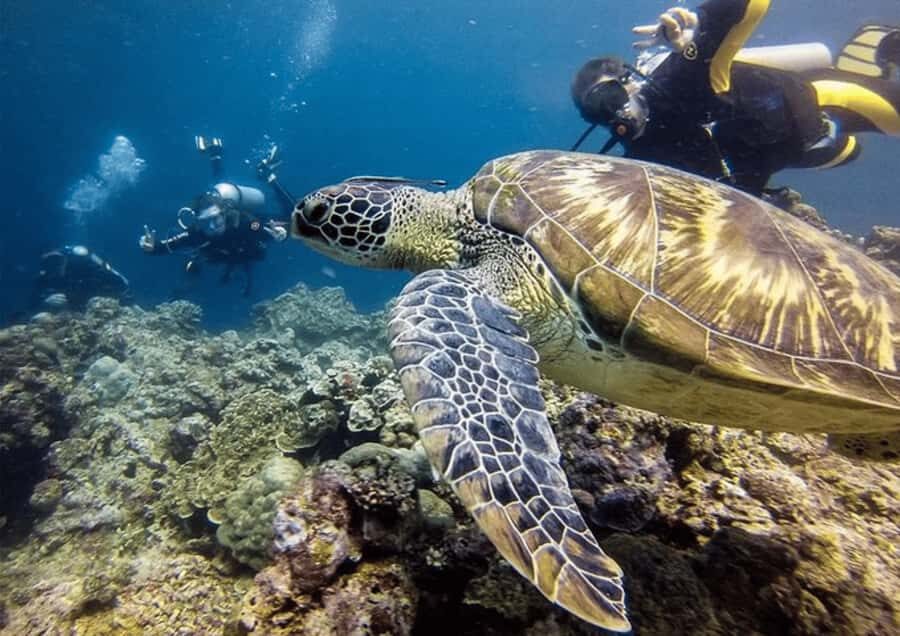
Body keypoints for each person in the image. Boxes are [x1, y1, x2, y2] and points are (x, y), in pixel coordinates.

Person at [571, 1, 900, 196]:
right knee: (846, 153)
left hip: (820, 104)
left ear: (631, 81)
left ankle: (873, 53)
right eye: (598, 115)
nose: (615, 116)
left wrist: (700, 21)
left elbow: (743, 6)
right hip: (794, 152)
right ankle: (863, 60)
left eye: (611, 98)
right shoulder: (645, 159)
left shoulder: (680, 81)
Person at [139, 138, 294, 296]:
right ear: (198, 222)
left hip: (243, 247)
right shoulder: (196, 233)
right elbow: (164, 246)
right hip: (235, 254)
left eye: (216, 218)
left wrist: (282, 232)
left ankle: (268, 177)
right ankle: (216, 155)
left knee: (295, 216)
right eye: (205, 222)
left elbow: (287, 222)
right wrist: (151, 247)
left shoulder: (245, 223)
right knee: (219, 185)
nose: (212, 225)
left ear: (225, 214)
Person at [33, 245, 130, 310]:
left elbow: (120, 283)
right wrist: (45, 301)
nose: (54, 265)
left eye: (56, 260)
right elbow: (33, 302)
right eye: (49, 262)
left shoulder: (83, 262)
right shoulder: (46, 277)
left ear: (64, 257)